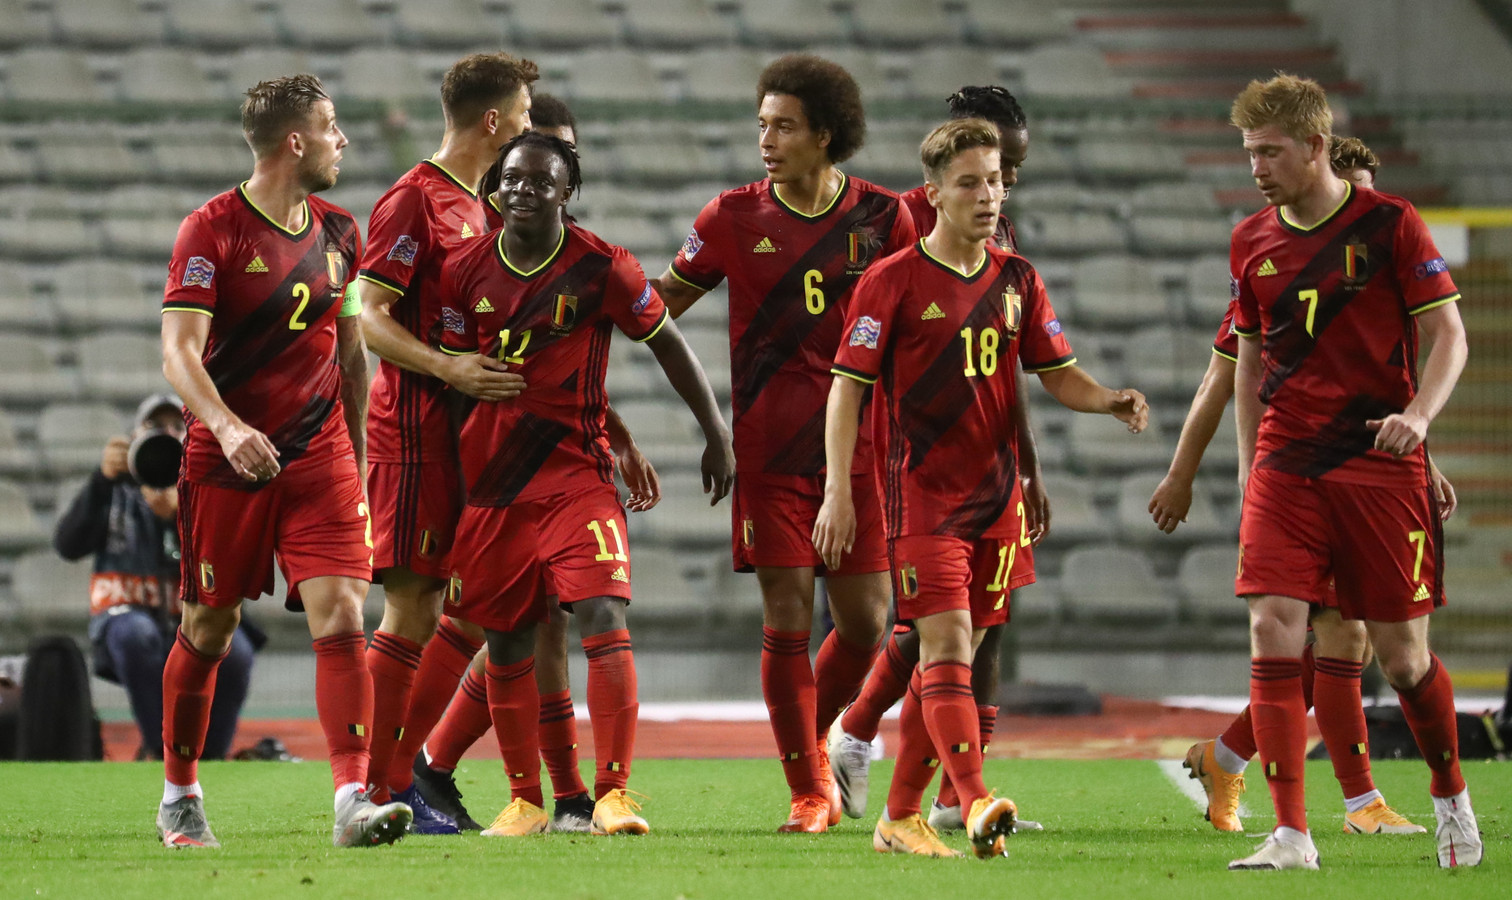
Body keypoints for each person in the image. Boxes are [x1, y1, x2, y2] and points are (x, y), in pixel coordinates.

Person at [814, 118, 1148, 858]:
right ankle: (972, 802)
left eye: (995, 180)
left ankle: (900, 818)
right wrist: (839, 491)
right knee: (948, 646)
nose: (988, 194)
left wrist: (1108, 399)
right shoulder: (890, 281)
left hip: (997, 501)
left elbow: (1055, 372)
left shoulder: (1017, 279)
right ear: (933, 194)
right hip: (920, 496)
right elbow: (845, 391)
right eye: (970, 182)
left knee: (962, 650)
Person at [436, 131, 734, 837]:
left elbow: (669, 343)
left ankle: (613, 794)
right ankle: (526, 801)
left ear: (567, 191)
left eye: (541, 181)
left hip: (576, 475)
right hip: (495, 486)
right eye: (511, 179)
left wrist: (716, 434)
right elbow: (450, 380)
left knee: (603, 610)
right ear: (493, 187)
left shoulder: (604, 267)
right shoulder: (463, 270)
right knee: (506, 640)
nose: (522, 192)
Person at [652, 53, 915, 833]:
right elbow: (664, 300)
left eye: (785, 126)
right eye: (762, 124)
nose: (766, 139)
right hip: (769, 450)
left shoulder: (884, 218)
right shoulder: (732, 217)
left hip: (862, 451)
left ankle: (814, 737)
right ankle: (808, 790)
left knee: (868, 623)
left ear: (826, 135)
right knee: (789, 619)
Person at [1224, 74, 1479, 870]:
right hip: (1287, 464)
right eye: (1249, 153)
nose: (1257, 167)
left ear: (1315, 145)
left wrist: (1422, 420)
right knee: (1272, 627)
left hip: (1378, 465)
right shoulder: (1250, 239)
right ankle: (1292, 833)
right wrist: (1246, 461)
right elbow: (1248, 358)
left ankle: (1451, 800)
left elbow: (1451, 337)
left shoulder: (1393, 225)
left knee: (1401, 657)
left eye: (1270, 152)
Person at [1156, 137, 1446, 837]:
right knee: (1340, 641)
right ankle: (1357, 803)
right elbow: (1220, 381)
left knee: (1349, 645)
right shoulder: (1277, 280)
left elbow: (1394, 387)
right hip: (1297, 479)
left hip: (1370, 475)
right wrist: (1187, 473)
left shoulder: (1382, 262)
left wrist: (1422, 462)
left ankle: (1227, 755)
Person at [158, 73, 411, 848]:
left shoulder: (342, 231)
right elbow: (177, 353)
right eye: (333, 128)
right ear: (296, 141)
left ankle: (350, 801)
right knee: (209, 627)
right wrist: (230, 429)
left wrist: (363, 462)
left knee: (342, 611)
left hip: (321, 457)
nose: (344, 143)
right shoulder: (212, 230)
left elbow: (351, 352)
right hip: (227, 460)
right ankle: (179, 793)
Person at [409, 96, 665, 833]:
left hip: (557, 465)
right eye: (529, 160)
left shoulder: (584, 261)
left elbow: (560, 361)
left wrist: (614, 432)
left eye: (559, 162)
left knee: (543, 624)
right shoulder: (473, 254)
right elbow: (461, 359)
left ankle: (560, 792)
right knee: (497, 632)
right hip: (490, 469)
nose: (536, 180)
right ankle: (460, 777)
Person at [829, 84, 1047, 832]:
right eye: (995, 169)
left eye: (1009, 172)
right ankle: (953, 790)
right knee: (945, 632)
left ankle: (880, 749)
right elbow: (873, 347)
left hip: (988, 468)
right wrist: (844, 479)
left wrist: (1028, 468)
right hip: (919, 464)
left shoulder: (996, 232)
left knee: (961, 631)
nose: (1002, 187)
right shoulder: (904, 227)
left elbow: (1001, 356)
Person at [354, 52, 536, 833]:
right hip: (416, 434)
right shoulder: (413, 201)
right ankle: (375, 790)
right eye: (525, 115)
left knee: (457, 605)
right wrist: (448, 369)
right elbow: (367, 315)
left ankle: (403, 783)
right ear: (494, 121)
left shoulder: (481, 204)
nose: (530, 127)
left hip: (470, 437)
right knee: (411, 607)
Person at [54, 394, 254, 762]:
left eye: (176, 426)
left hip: (192, 618)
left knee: (237, 651)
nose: (166, 434)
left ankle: (211, 758)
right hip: (127, 618)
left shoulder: (205, 483)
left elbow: (237, 555)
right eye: (154, 427)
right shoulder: (114, 486)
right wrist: (101, 480)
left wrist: (182, 518)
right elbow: (67, 545)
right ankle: (159, 751)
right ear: (136, 434)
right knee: (135, 635)